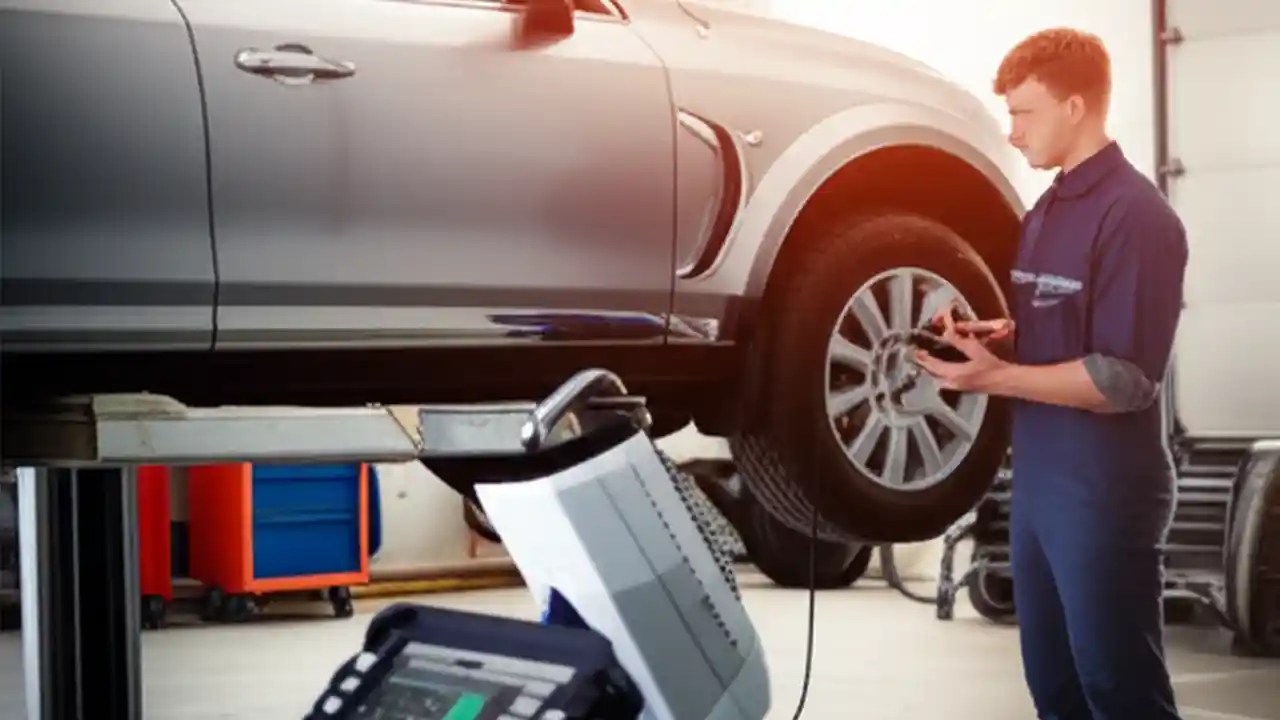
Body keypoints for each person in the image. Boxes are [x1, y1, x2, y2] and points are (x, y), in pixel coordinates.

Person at [914, 27, 1188, 720]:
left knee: (1119, 691)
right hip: (1040, 485)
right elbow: (1057, 329)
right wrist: (992, 338)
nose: (1012, 133)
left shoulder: (1137, 217)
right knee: (1057, 692)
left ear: (1075, 108)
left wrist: (993, 380)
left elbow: (1123, 378)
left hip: (1104, 490)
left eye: (1024, 113)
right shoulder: (1045, 212)